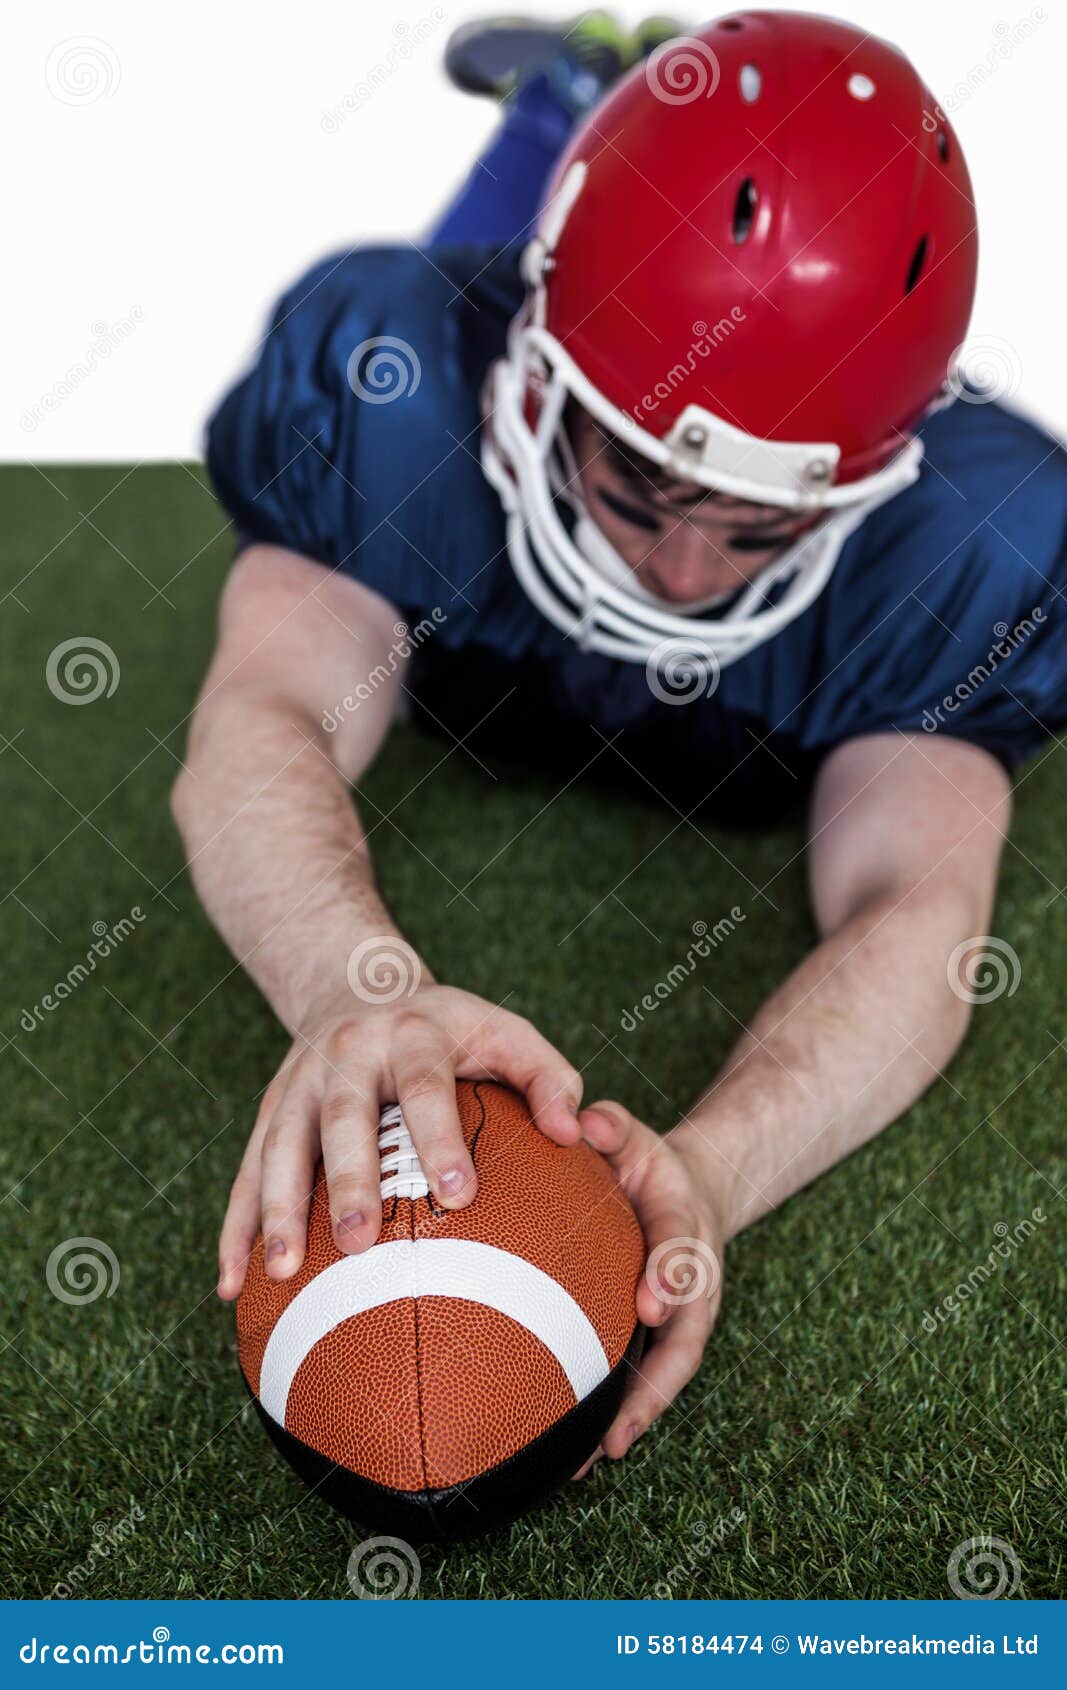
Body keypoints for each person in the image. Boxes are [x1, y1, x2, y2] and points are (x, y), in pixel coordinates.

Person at [177, 11, 1067, 1474]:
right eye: (639, 486)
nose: (683, 571)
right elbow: (259, 714)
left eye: (758, 526)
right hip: (489, 489)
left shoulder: (968, 539)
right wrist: (346, 984)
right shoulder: (404, 386)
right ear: (541, 385)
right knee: (446, 292)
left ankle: (576, 125)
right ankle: (559, 113)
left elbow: (919, 908)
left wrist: (711, 1170)